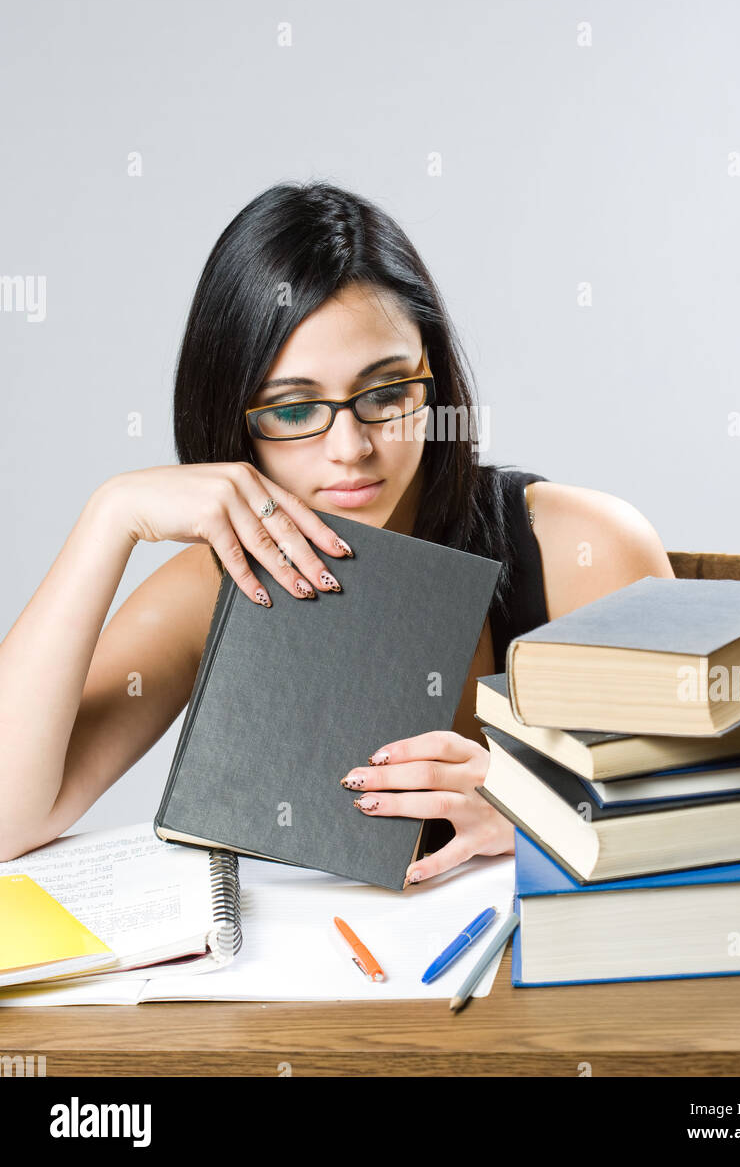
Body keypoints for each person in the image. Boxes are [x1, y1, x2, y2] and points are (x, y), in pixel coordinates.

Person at [0, 181, 674, 884]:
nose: (350, 447)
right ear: (236, 421)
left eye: (385, 394)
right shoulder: (215, 582)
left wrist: (539, 810)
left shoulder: (579, 550)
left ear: (433, 382)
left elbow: (720, 822)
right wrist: (107, 518)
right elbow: (6, 817)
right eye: (294, 412)